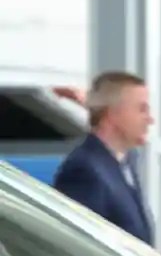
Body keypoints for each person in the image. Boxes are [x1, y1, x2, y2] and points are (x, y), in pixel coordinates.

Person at [52, 71, 154, 245]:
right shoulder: (84, 170)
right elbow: (82, 245)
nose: (150, 119)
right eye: (141, 109)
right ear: (112, 114)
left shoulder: (125, 162)